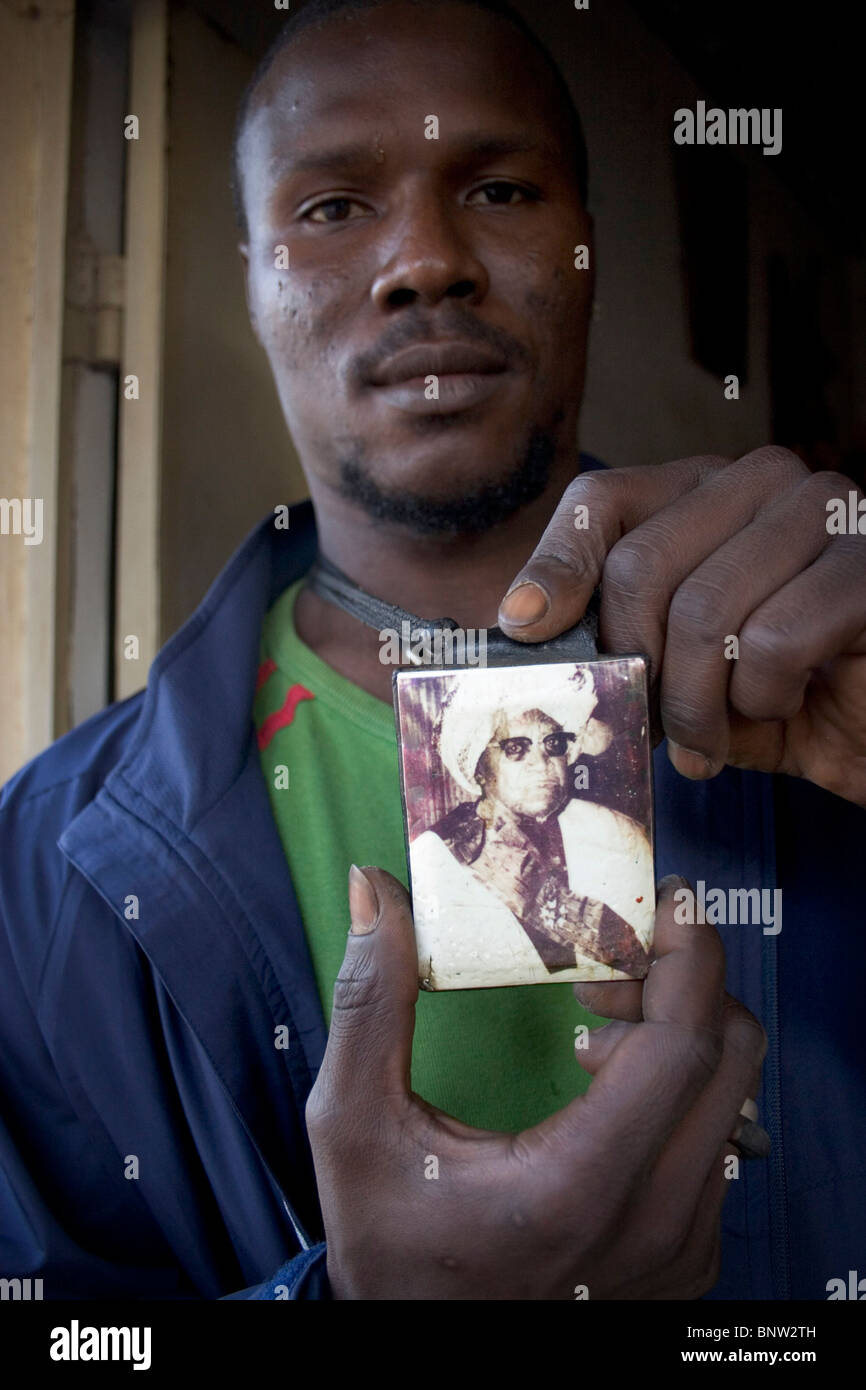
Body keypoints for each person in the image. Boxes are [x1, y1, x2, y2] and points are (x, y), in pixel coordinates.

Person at [0, 0, 863, 1302]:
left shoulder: (821, 691)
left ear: (585, 246)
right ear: (251, 279)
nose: (423, 260)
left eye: (500, 187)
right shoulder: (42, 865)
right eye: (333, 208)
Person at [409, 665, 653, 986]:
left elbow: (642, 949)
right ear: (481, 767)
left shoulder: (616, 833)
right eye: (516, 748)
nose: (541, 764)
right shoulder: (436, 855)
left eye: (553, 745)